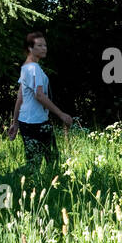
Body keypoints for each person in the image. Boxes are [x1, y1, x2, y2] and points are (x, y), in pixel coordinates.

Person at [6, 31, 72, 170]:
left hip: (26, 122)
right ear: (30, 48)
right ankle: (12, 181)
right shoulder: (34, 69)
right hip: (36, 122)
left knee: (34, 163)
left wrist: (16, 123)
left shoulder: (26, 67)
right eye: (40, 45)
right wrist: (61, 114)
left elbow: (20, 97)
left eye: (45, 45)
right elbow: (39, 95)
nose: (44, 48)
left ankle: (19, 184)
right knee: (51, 161)